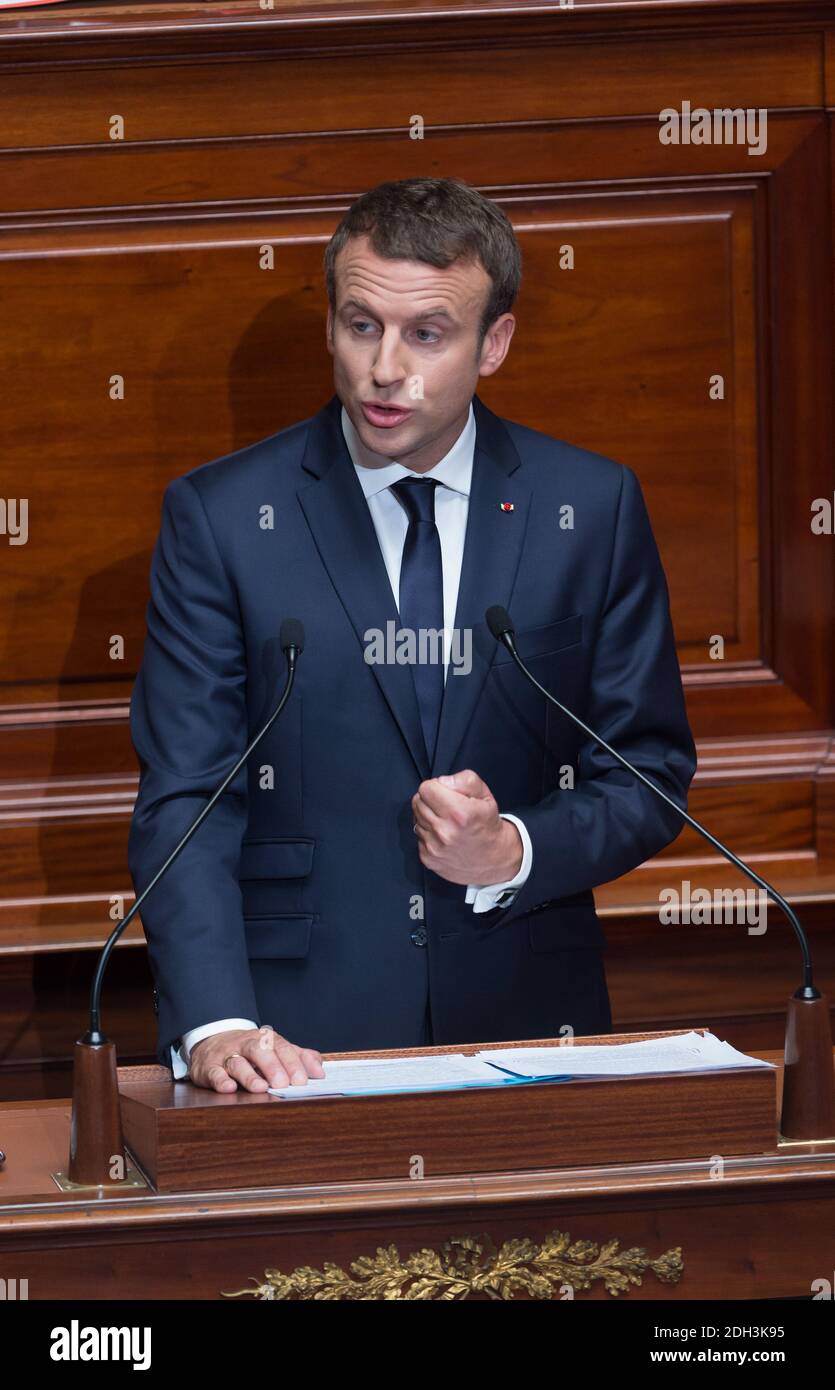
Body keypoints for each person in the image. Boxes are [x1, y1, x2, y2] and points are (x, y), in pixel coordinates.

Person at [128, 176, 697, 1094]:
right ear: (331, 326)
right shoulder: (223, 519)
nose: (383, 368)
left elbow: (647, 773)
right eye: (361, 325)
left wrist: (513, 848)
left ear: (493, 342)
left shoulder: (587, 508)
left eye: (426, 334)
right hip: (289, 1046)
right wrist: (217, 1022)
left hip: (526, 1027)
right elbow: (186, 796)